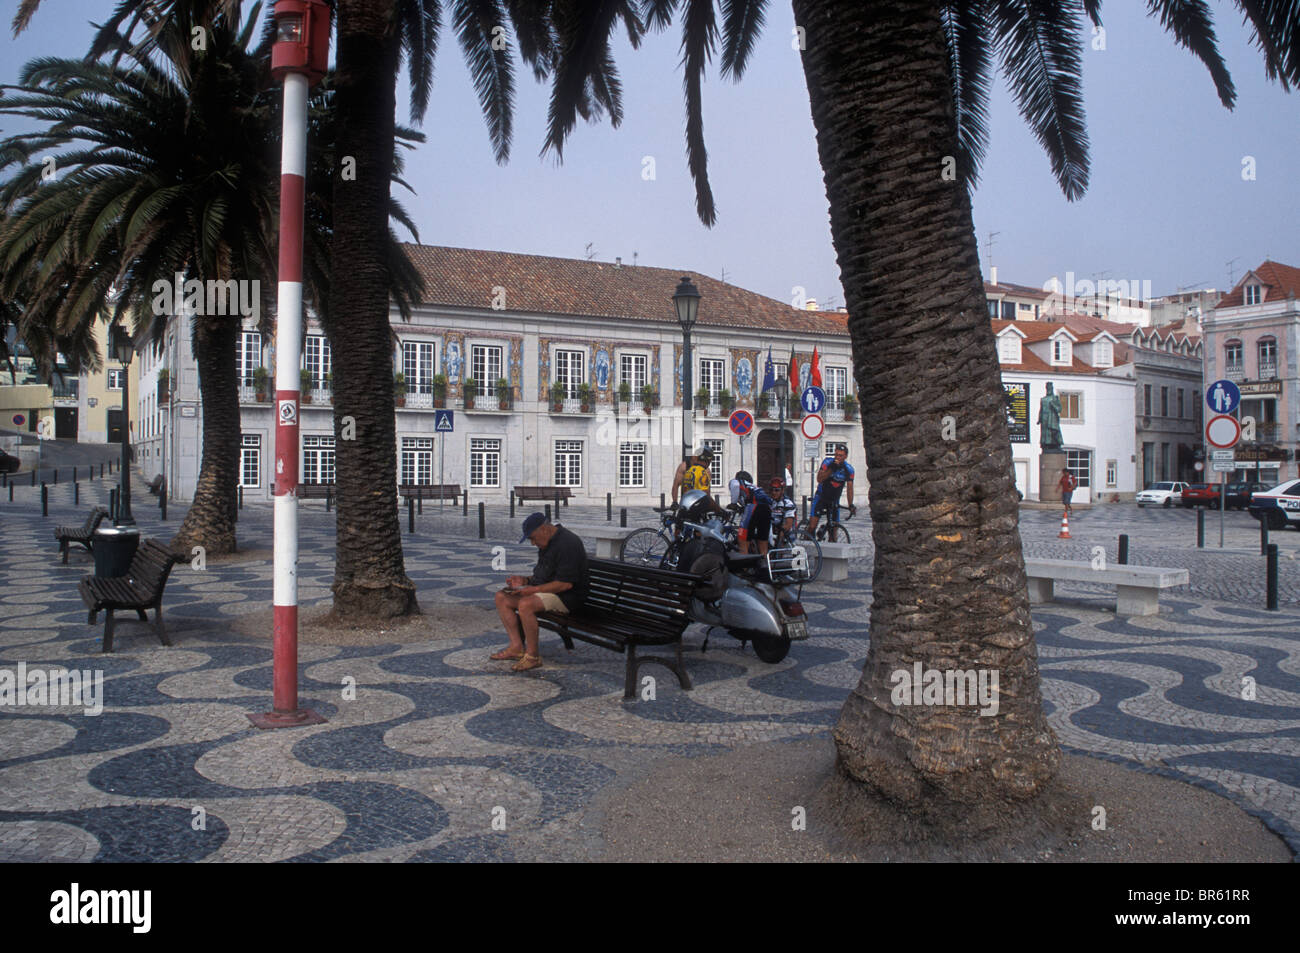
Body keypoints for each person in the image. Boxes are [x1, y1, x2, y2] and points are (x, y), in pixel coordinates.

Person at [492, 513, 588, 672]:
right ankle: (516, 647)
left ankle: (533, 657)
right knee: (502, 597)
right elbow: (543, 576)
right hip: (552, 592)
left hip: (569, 598)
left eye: (533, 538)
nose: (533, 543)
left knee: (526, 604)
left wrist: (534, 590)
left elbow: (565, 584)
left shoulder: (568, 543)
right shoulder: (547, 543)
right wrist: (525, 581)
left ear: (544, 529)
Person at [807, 446, 856, 539]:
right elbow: (819, 479)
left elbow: (850, 488)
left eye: (840, 455)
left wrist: (851, 505)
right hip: (821, 497)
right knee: (812, 526)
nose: (837, 457)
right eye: (836, 455)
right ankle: (806, 543)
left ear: (846, 456)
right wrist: (831, 469)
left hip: (834, 500)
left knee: (834, 530)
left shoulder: (849, 469)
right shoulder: (827, 462)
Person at [766, 476, 798, 545]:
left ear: (782, 490)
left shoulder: (788, 504)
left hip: (785, 534)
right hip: (773, 531)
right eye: (771, 490)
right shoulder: (771, 502)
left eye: (777, 490)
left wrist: (778, 540)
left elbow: (788, 525)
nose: (773, 492)